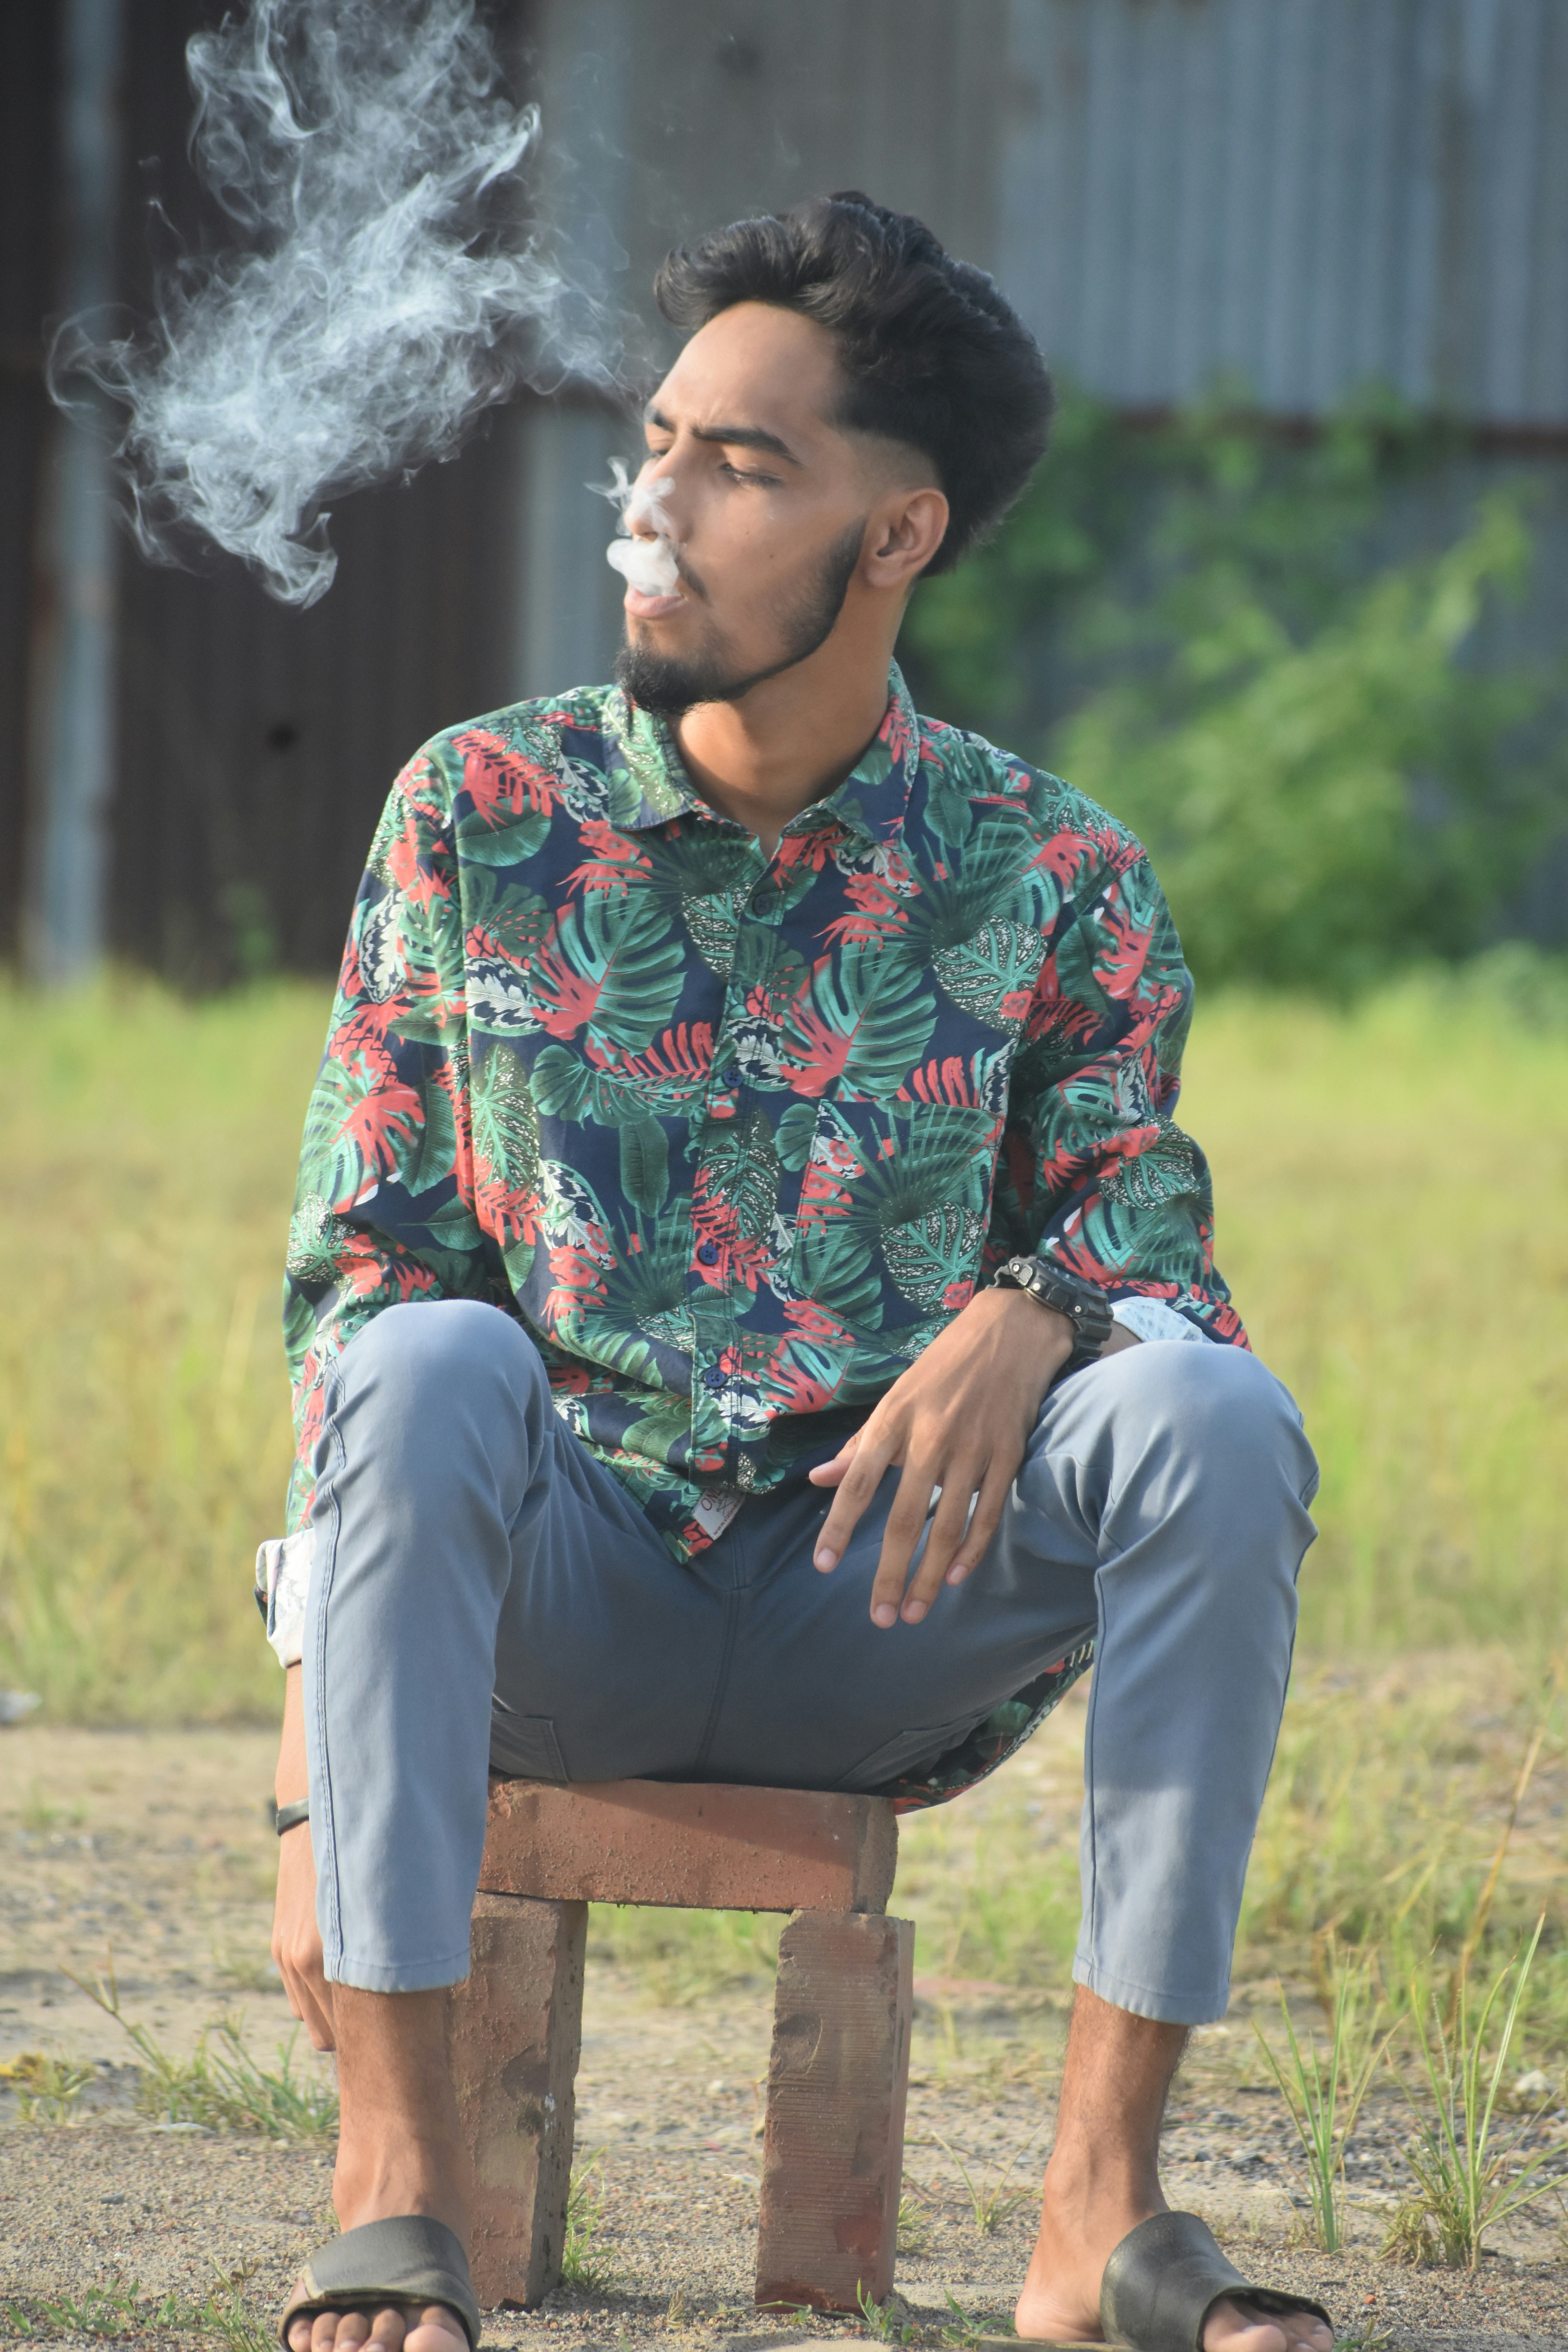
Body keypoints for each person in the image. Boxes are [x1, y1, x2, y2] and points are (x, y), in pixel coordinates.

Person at [262, 193, 1330, 2352]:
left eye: (743, 465)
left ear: (900, 533)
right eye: (656, 445)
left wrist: (1040, 1312)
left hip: (883, 1603)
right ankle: (395, 2190)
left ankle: (1100, 2216)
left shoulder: (1054, 870)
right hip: (561, 1601)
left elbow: (1152, 1222)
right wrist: (305, 1771)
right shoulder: (479, 811)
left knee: (1212, 1413)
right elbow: (361, 1292)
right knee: (433, 1356)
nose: (654, 509)